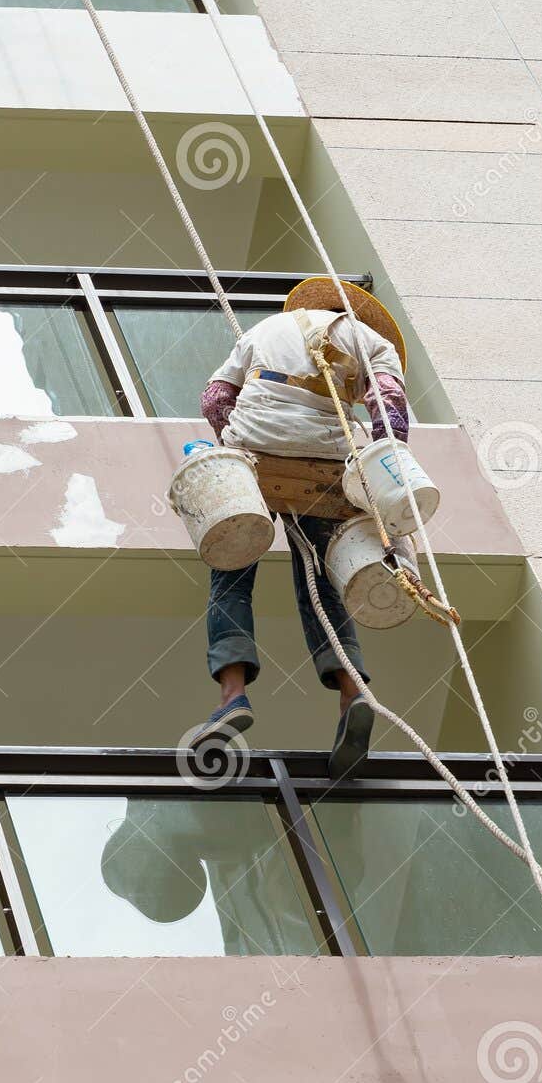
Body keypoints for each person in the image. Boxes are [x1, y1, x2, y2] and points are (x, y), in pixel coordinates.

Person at [196, 276, 410, 781]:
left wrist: (235, 436)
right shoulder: (370, 342)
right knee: (321, 574)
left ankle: (233, 694)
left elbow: (212, 399)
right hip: (324, 456)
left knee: (232, 566)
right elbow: (389, 414)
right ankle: (351, 691)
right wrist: (386, 476)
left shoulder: (265, 329)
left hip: (256, 445)